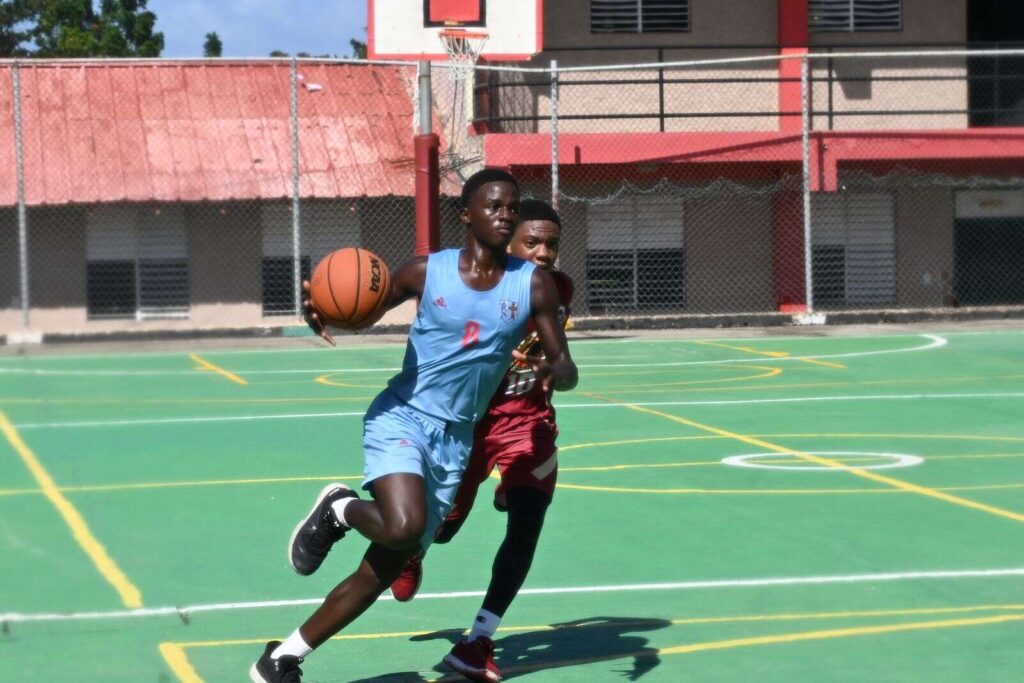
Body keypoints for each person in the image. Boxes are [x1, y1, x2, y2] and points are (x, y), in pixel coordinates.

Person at [250, 169, 578, 683]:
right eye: (494, 206)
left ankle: (281, 658)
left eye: (511, 208)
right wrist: (324, 307)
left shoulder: (533, 284)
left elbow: (566, 365)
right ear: (466, 214)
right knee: (403, 527)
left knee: (382, 569)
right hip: (404, 416)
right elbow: (363, 308)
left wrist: (555, 370)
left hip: (456, 439)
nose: (504, 215)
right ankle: (340, 507)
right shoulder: (428, 272)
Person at [388, 199, 572, 683]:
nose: (544, 252)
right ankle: (412, 551)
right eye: (532, 242)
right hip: (470, 424)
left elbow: (566, 366)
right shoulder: (481, 288)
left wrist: (557, 370)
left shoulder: (556, 289)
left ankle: (479, 639)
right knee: (442, 528)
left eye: (552, 244)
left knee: (527, 523)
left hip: (529, 424)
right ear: (509, 242)